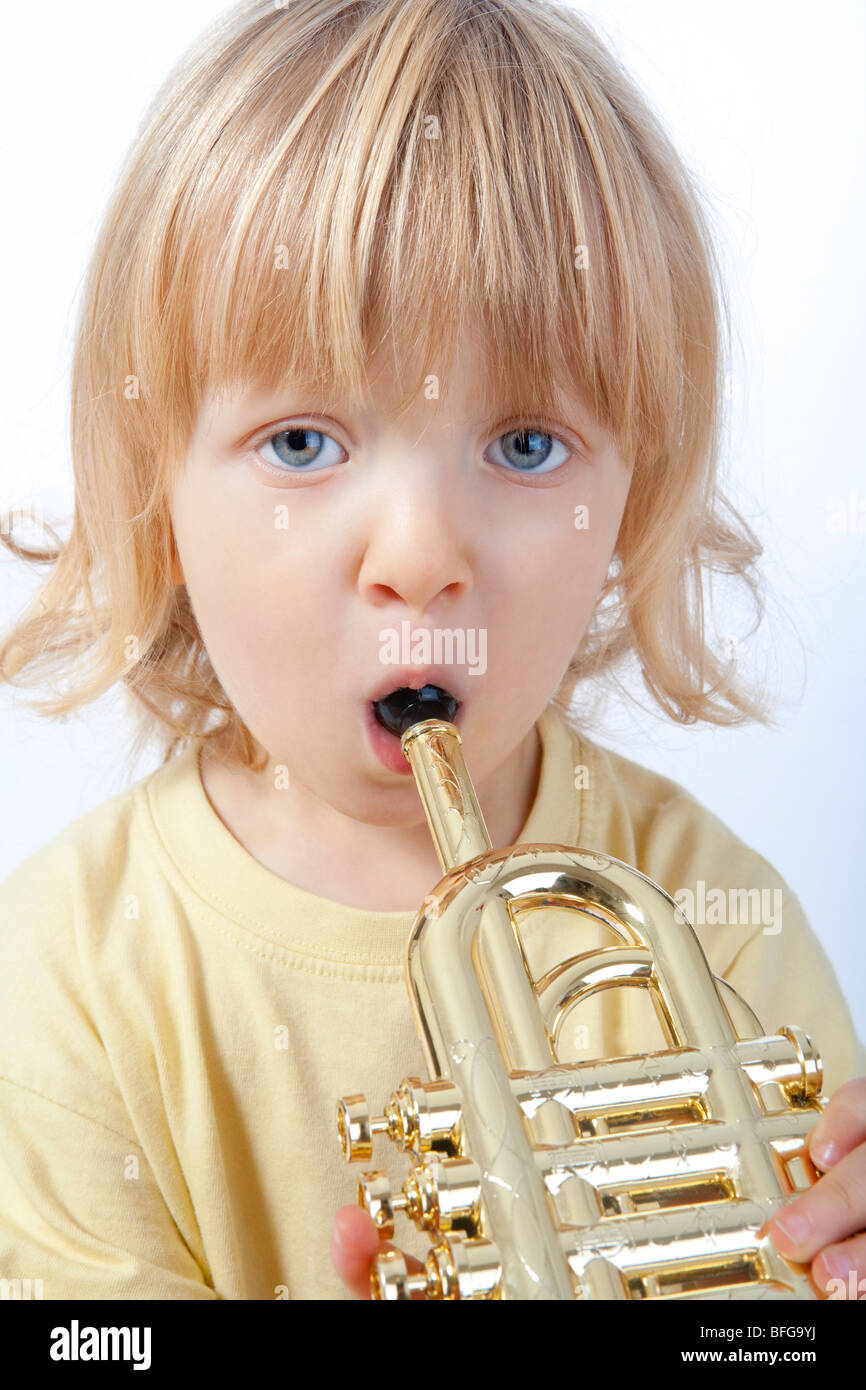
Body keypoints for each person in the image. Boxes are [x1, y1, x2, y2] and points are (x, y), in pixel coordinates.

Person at [0, 0, 863, 1303]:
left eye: (523, 446)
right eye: (303, 442)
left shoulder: (709, 921)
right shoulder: (62, 971)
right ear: (153, 502)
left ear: (624, 512)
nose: (419, 553)